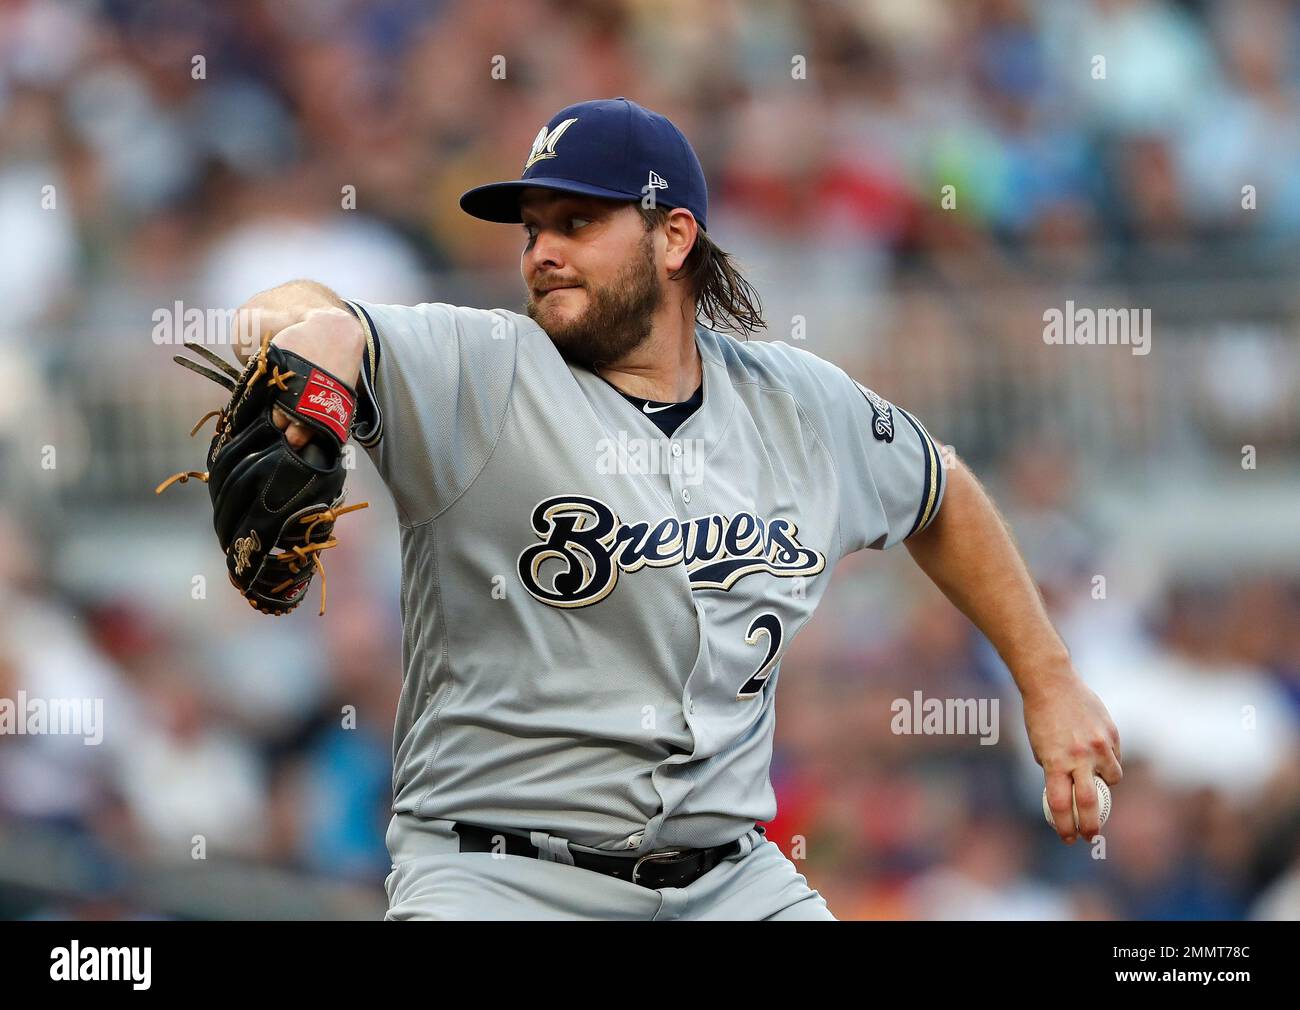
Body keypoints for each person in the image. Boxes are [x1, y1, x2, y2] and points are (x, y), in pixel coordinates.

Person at [231, 98, 1121, 920]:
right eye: (532, 228)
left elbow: (941, 493)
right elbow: (287, 314)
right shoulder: (478, 371)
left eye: (577, 222)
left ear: (673, 238)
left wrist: (1049, 684)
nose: (541, 250)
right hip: (499, 879)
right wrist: (323, 337)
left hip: (729, 879)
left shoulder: (798, 406)